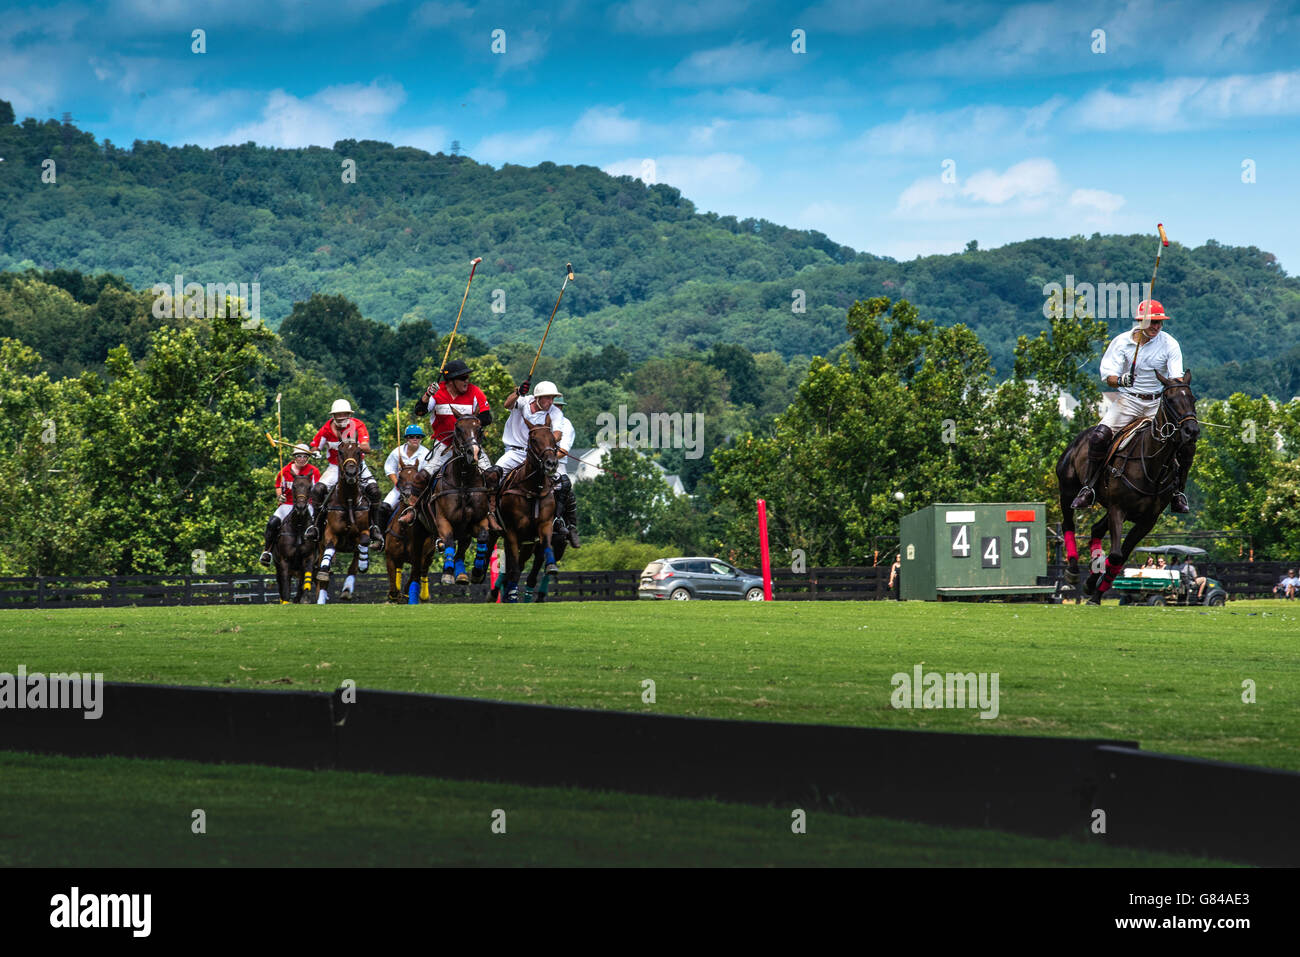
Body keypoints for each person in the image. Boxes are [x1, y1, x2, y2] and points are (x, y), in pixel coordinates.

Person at [1072, 299, 1191, 513]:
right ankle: (1089, 488)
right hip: (1129, 401)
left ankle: (1178, 492)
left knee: (1185, 442)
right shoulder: (1121, 342)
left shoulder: (1169, 343)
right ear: (1140, 321)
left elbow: (1175, 378)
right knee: (1099, 437)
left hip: (1158, 404)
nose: (1156, 327)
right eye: (1153, 322)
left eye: (1160, 323)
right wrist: (1122, 380)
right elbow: (1108, 376)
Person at [497, 378, 580, 547]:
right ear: (537, 398)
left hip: (541, 456)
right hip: (514, 452)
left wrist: (546, 443)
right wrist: (518, 392)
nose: (551, 402)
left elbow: (557, 434)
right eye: (547, 398)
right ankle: (490, 514)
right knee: (492, 475)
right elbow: (507, 404)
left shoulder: (556, 414)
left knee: (564, 484)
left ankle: (563, 523)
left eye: (552, 398)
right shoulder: (524, 402)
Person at [306, 399, 382, 544]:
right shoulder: (326, 429)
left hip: (358, 465)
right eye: (338, 415)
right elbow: (315, 447)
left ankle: (374, 526)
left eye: (344, 414)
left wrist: (353, 445)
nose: (341, 417)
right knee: (317, 490)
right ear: (333, 416)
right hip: (335, 467)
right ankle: (315, 526)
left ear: (349, 414)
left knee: (374, 491)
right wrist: (314, 452)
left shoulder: (358, 425)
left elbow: (366, 447)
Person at [414, 359, 495, 478]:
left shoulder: (475, 391)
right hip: (444, 445)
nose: (467, 381)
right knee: (422, 478)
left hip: (470, 445)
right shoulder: (437, 392)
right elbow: (420, 411)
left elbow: (487, 418)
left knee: (491, 476)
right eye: (463, 378)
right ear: (451, 381)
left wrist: (465, 425)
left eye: (467, 377)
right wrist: (428, 395)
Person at [260, 443, 321, 565]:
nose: (302, 459)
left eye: (305, 456)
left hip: (307, 504)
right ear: (294, 457)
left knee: (319, 523)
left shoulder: (313, 471)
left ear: (308, 458)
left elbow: (317, 489)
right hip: (287, 504)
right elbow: (278, 486)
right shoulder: (285, 471)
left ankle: (321, 552)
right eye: (299, 456)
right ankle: (267, 551)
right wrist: (280, 496)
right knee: (272, 523)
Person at [374, 424, 427, 538]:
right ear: (407, 438)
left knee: (431, 509)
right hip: (399, 489)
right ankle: (380, 539)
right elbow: (389, 469)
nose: (415, 439)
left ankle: (437, 539)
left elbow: (427, 474)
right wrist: (397, 484)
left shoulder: (425, 454)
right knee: (383, 508)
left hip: (418, 491)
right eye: (412, 436)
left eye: (418, 437)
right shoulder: (397, 452)